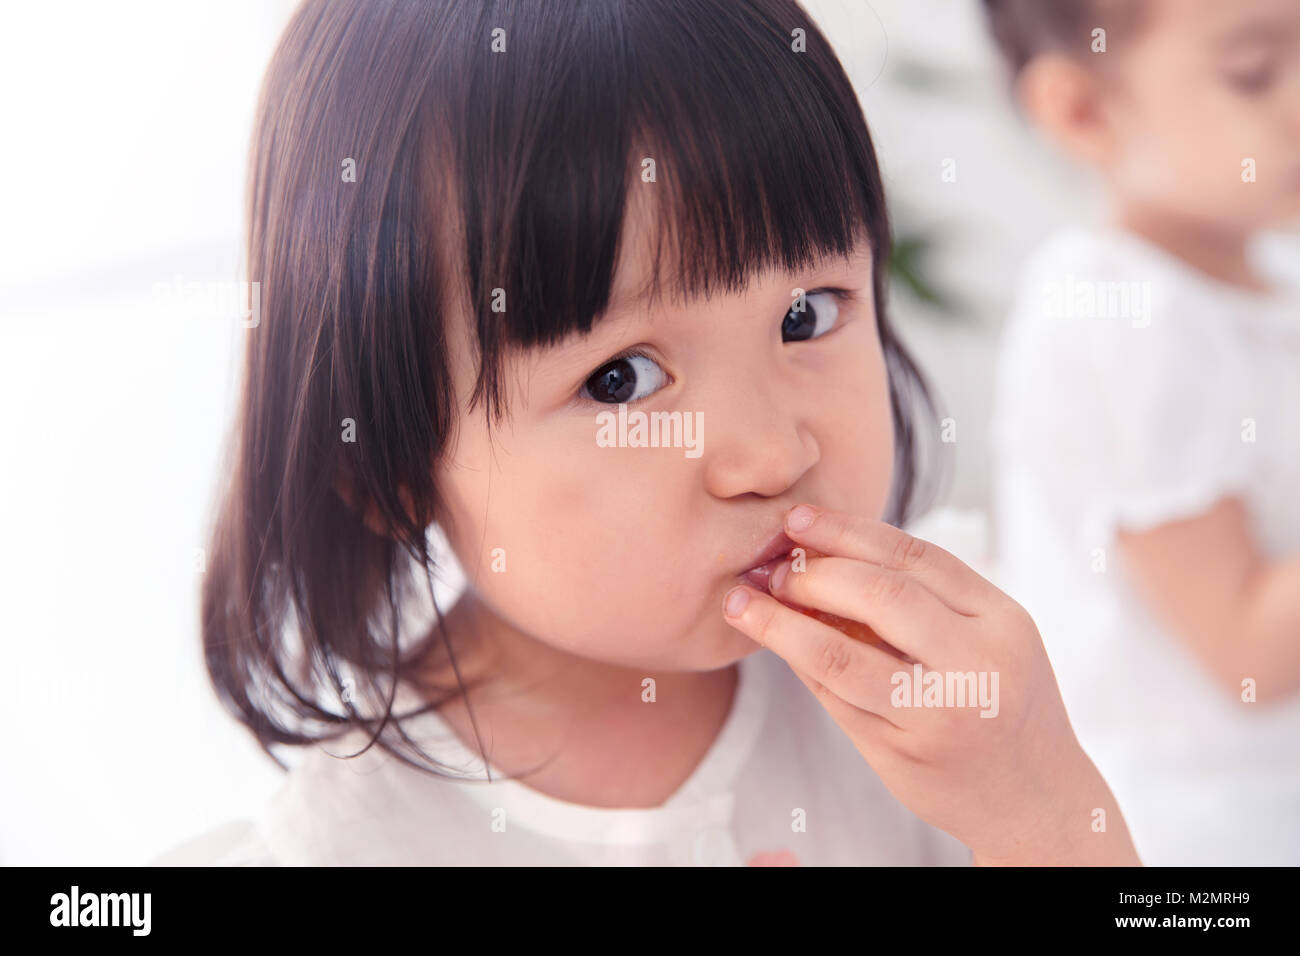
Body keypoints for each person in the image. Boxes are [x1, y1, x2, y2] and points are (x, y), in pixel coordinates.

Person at [154, 0, 1139, 866]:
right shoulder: (352, 847)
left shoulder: (950, 695)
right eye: (620, 380)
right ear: (386, 459)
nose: (772, 453)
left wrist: (1041, 818)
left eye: (806, 314)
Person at [985, 0, 1300, 864]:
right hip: (1187, 836)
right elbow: (1247, 653)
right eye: (1254, 74)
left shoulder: (1266, 266)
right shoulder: (1126, 318)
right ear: (1083, 111)